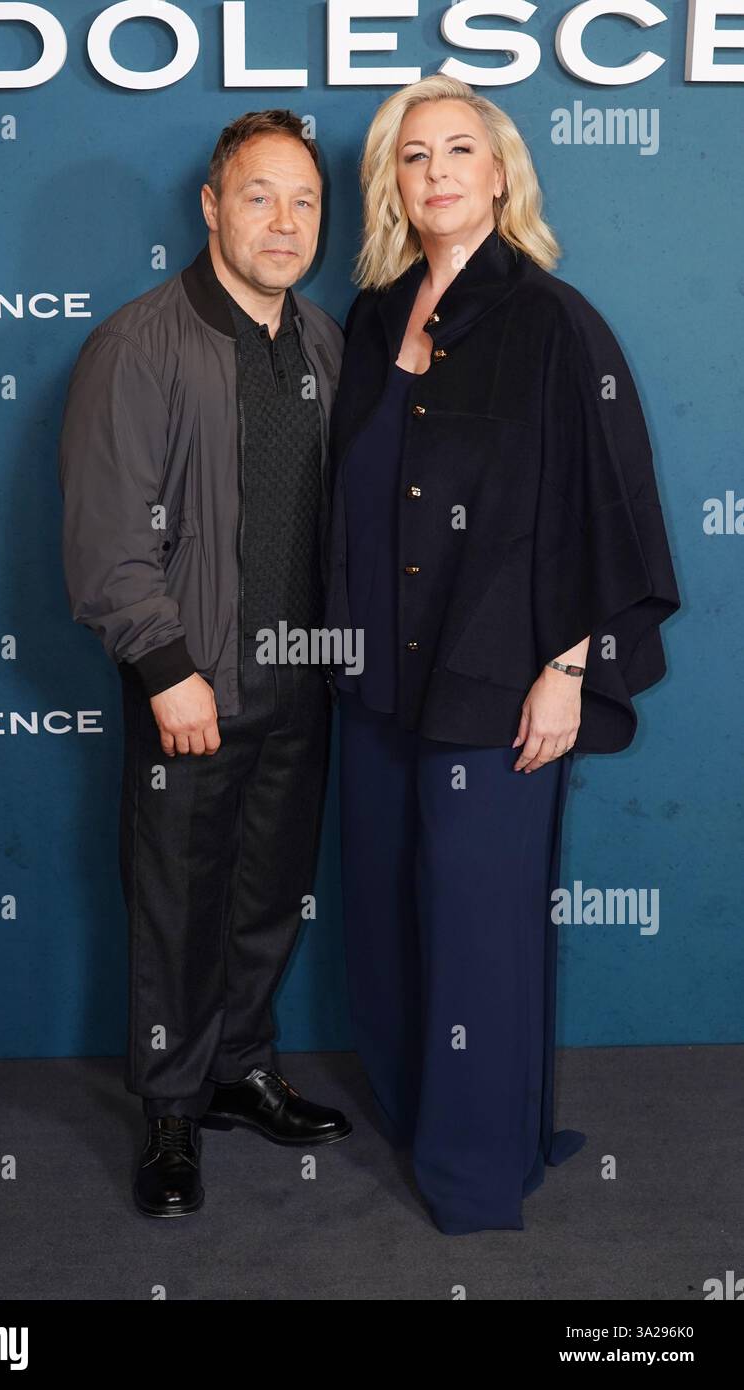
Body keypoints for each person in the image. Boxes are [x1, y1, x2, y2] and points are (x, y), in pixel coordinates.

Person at [324, 75, 680, 1235]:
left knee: (479, 930)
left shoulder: (554, 321)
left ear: (499, 173)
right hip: (376, 673)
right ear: (393, 181)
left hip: (496, 677)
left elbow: (599, 503)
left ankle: (478, 1181)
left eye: (458, 151)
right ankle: (464, 1120)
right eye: (413, 155)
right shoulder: (377, 316)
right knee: (385, 915)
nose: (436, 173)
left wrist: (568, 668)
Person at [58, 110, 351, 1220]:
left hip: (305, 677)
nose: (284, 221)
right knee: (179, 904)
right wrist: (164, 663)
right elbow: (104, 534)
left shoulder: (323, 345)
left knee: (269, 893)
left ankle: (238, 1067)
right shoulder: (140, 342)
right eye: (261, 195)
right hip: (193, 684)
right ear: (212, 206)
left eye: (305, 201)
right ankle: (173, 1107)